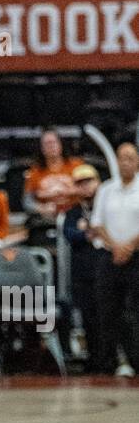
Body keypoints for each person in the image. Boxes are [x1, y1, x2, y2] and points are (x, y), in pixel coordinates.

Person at [89, 143, 139, 377]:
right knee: (108, 310)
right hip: (109, 256)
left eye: (130, 158)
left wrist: (129, 246)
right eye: (121, 158)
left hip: (136, 257)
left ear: (137, 161)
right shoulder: (106, 189)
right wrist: (116, 246)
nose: (125, 162)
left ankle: (135, 359)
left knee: (134, 310)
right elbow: (97, 223)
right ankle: (110, 361)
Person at [62, 164, 103, 373]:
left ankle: (116, 358)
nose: (86, 187)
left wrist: (88, 231)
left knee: (112, 316)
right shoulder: (72, 213)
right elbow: (70, 235)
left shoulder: (106, 206)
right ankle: (95, 360)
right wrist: (88, 232)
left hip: (106, 270)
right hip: (83, 273)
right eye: (80, 183)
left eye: (89, 181)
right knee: (89, 319)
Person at [23, 130, 82, 217]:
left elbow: (89, 189)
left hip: (75, 213)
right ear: (42, 148)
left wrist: (65, 192)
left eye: (54, 142)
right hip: (46, 217)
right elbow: (27, 201)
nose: (51, 146)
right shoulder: (34, 171)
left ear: (60, 144)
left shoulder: (77, 165)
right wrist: (41, 208)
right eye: (47, 143)